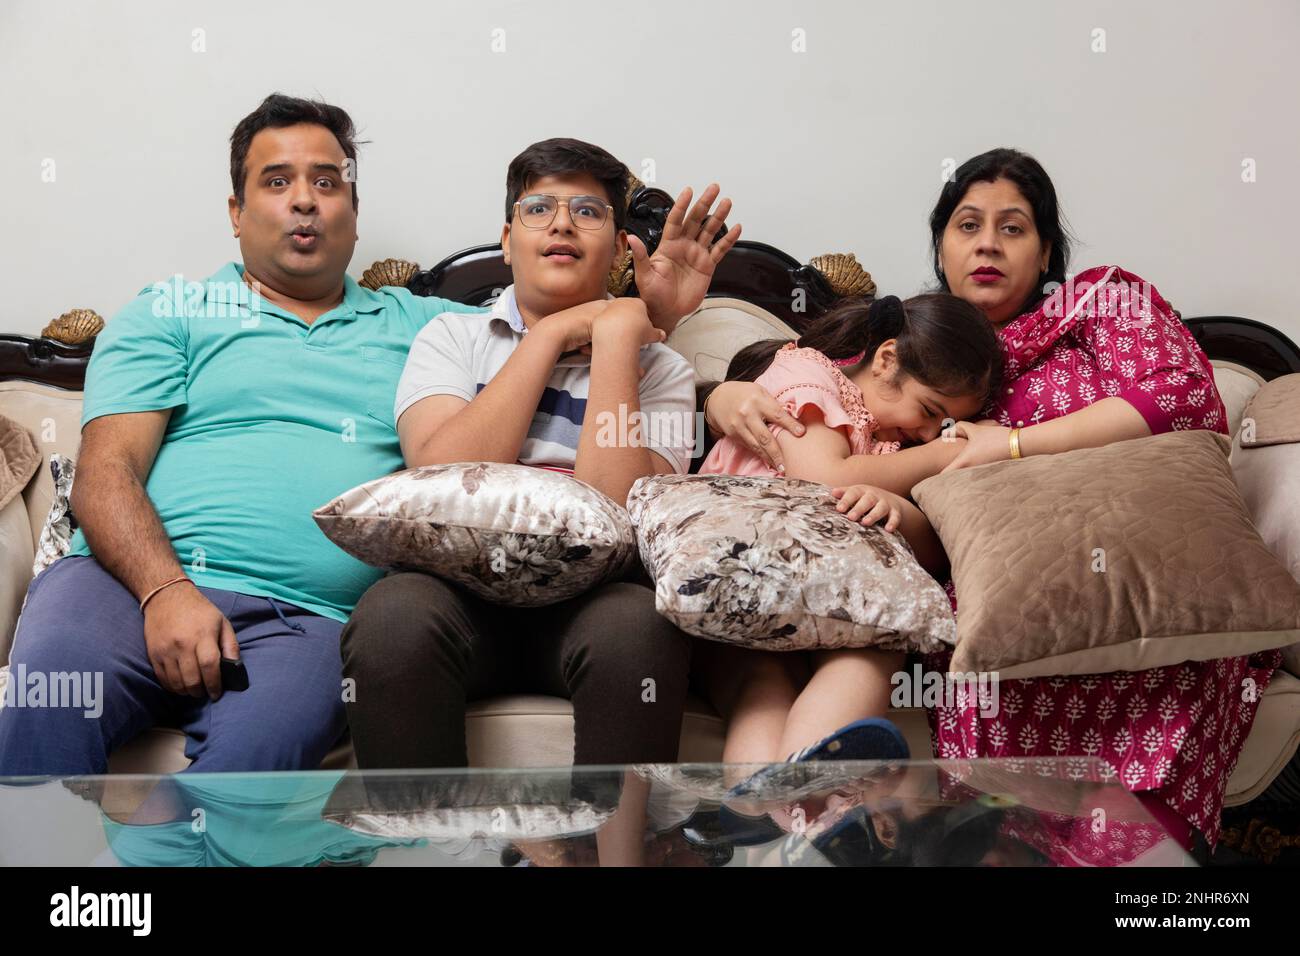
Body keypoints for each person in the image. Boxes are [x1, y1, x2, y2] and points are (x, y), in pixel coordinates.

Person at [702, 147, 1275, 855]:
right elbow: (793, 410)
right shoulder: (928, 353)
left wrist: (1011, 447)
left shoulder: (1096, 302)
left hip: (1138, 585)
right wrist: (718, 396)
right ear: (940, 247)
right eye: (967, 225)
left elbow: (1181, 398)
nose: (987, 244)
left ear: (1046, 254)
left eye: (1014, 228)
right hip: (979, 602)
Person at [338, 138, 740, 862]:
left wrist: (620, 339)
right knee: (390, 619)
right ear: (507, 238)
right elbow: (441, 472)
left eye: (587, 211)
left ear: (621, 246)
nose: (560, 224)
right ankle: (432, 857)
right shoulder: (450, 338)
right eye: (539, 208)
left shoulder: (664, 369)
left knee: (638, 630)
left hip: (592, 606)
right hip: (457, 598)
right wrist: (551, 335)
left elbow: (618, 508)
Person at [692, 293, 1000, 787]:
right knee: (763, 683)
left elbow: (933, 552)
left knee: (871, 654)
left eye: (940, 425)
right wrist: (948, 451)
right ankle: (804, 806)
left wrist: (895, 508)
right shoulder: (807, 374)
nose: (926, 431)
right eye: (928, 410)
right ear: (886, 359)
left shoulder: (892, 447)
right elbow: (819, 477)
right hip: (743, 576)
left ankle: (770, 813)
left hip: (826, 604)